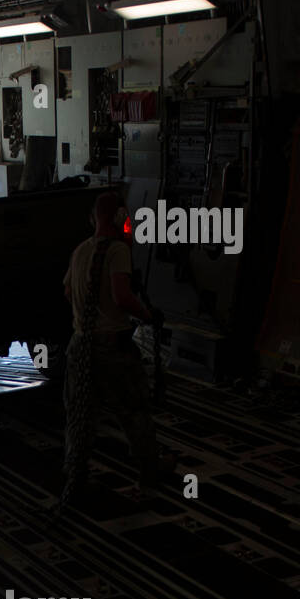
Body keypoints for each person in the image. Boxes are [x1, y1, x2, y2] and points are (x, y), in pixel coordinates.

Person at [59, 192, 170, 507]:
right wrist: (148, 316)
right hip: (113, 347)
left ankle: (76, 478)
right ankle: (150, 472)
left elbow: (68, 291)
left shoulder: (80, 251)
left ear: (94, 218)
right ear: (122, 217)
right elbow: (122, 296)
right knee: (134, 411)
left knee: (79, 416)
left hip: (80, 345)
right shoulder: (119, 250)